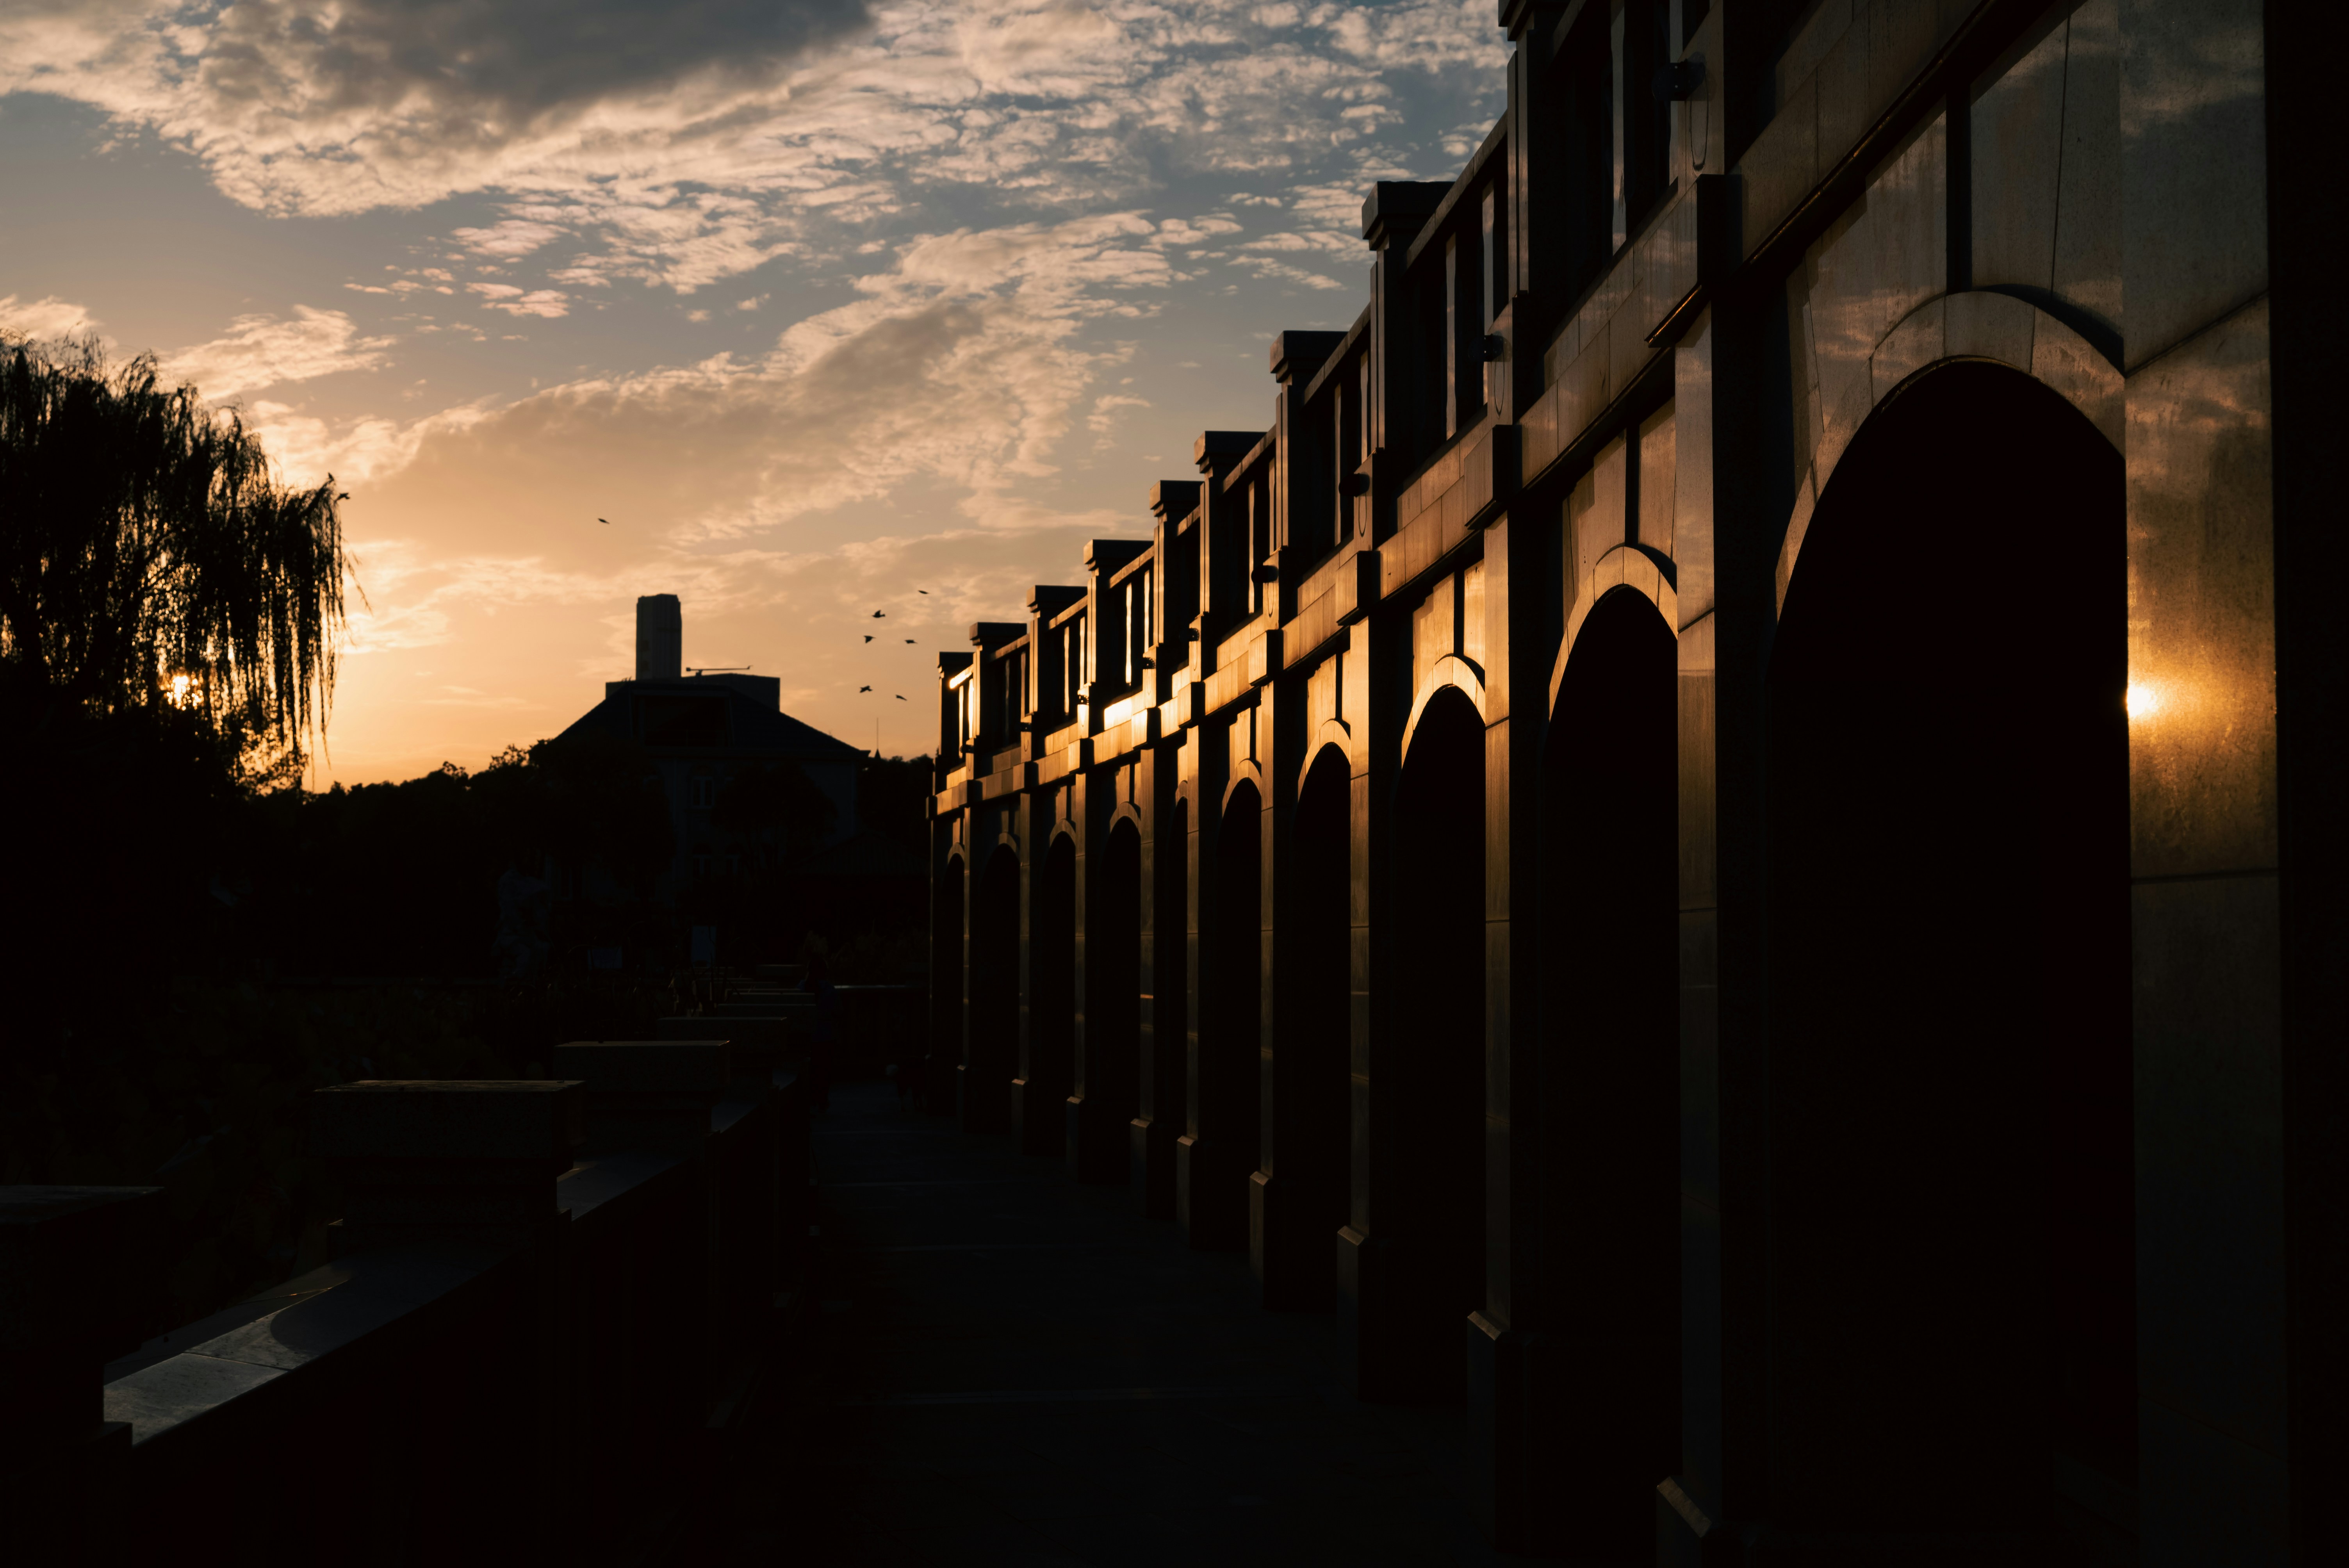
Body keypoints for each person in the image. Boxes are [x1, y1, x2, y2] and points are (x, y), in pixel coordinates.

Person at [801, 951, 839, 1114]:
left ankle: (810, 1100)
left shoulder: (800, 988)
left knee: (810, 1072)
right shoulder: (830, 991)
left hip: (807, 1037)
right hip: (826, 1037)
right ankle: (822, 1100)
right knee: (824, 1072)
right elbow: (839, 1013)